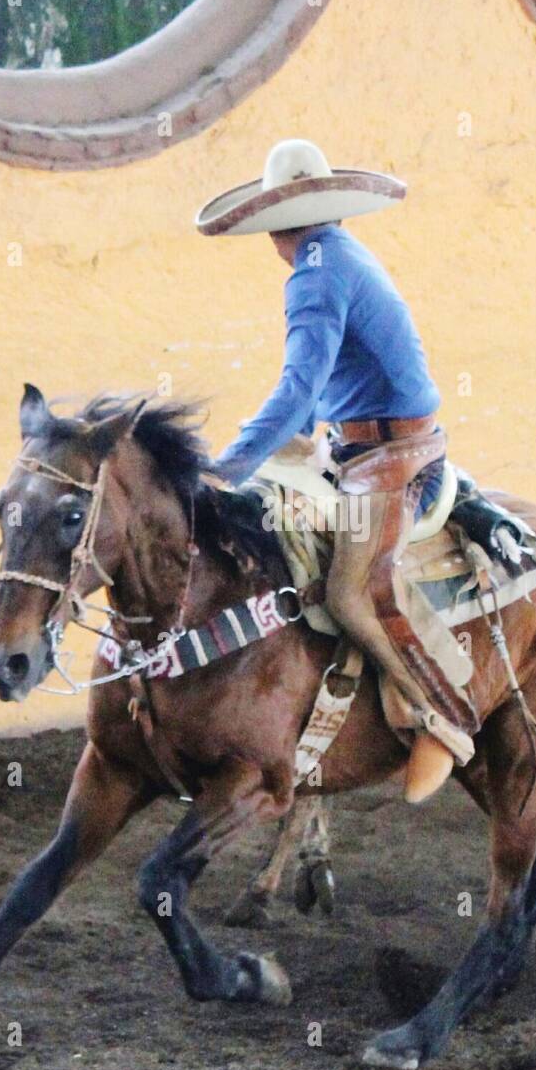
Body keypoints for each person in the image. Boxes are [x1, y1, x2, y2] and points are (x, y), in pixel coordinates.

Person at [196, 139, 477, 799]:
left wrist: (231, 465)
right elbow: (314, 388)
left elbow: (299, 384)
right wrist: (289, 444)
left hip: (390, 460)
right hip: (360, 447)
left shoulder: (315, 272)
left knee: (350, 592)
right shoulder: (337, 256)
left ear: (272, 231)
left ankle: (440, 718)